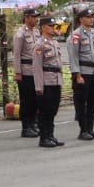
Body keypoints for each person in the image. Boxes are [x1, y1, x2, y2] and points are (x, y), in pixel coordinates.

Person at [68, 8, 94, 141]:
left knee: (93, 101)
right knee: (81, 102)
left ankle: (90, 128)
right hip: (83, 72)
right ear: (81, 19)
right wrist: (77, 75)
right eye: (88, 17)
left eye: (92, 17)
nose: (91, 19)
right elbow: (73, 56)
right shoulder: (76, 35)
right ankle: (83, 130)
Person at [31, 16, 65, 147]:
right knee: (45, 111)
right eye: (50, 26)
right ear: (43, 27)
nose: (53, 28)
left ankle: (51, 135)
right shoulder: (39, 44)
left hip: (56, 80)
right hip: (46, 81)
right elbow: (37, 66)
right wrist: (39, 86)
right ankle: (44, 137)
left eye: (53, 26)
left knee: (53, 110)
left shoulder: (55, 42)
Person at [12, 8, 42, 136]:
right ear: (27, 17)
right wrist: (18, 72)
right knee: (27, 100)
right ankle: (26, 127)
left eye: (36, 17)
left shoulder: (36, 32)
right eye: (34, 17)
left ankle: (33, 124)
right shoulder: (20, 34)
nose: (36, 19)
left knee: (35, 100)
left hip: (36, 71)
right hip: (26, 71)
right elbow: (16, 54)